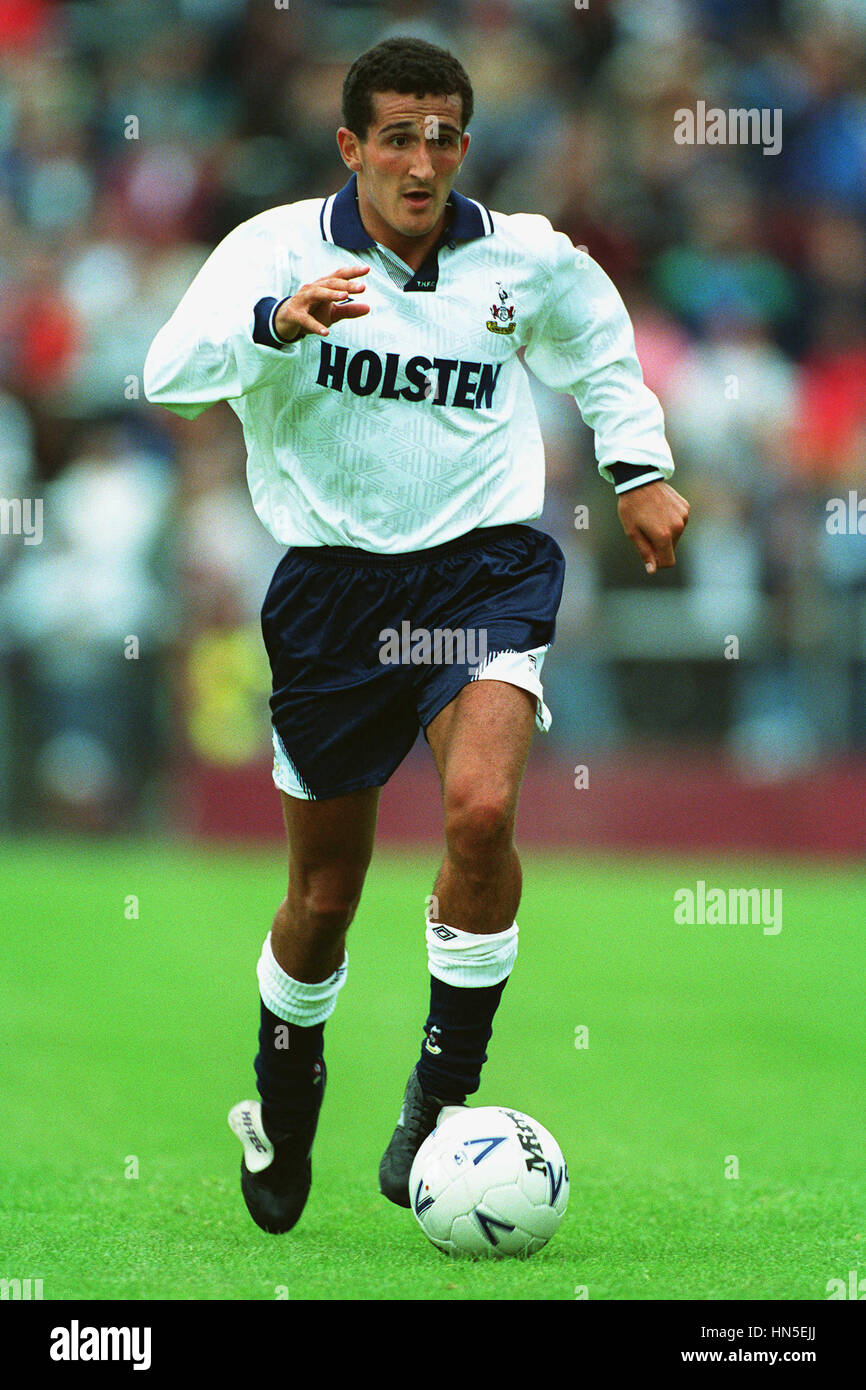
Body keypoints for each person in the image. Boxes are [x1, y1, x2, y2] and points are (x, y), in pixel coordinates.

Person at [143, 35, 689, 1236]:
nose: (423, 158)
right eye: (397, 133)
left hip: (480, 574)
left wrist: (639, 464)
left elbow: (598, 343)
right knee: (324, 894)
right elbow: (167, 375)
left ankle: (440, 1096)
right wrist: (275, 326)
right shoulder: (275, 249)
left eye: (444, 133)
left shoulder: (521, 257)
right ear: (351, 146)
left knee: (482, 811)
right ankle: (284, 1108)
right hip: (331, 594)